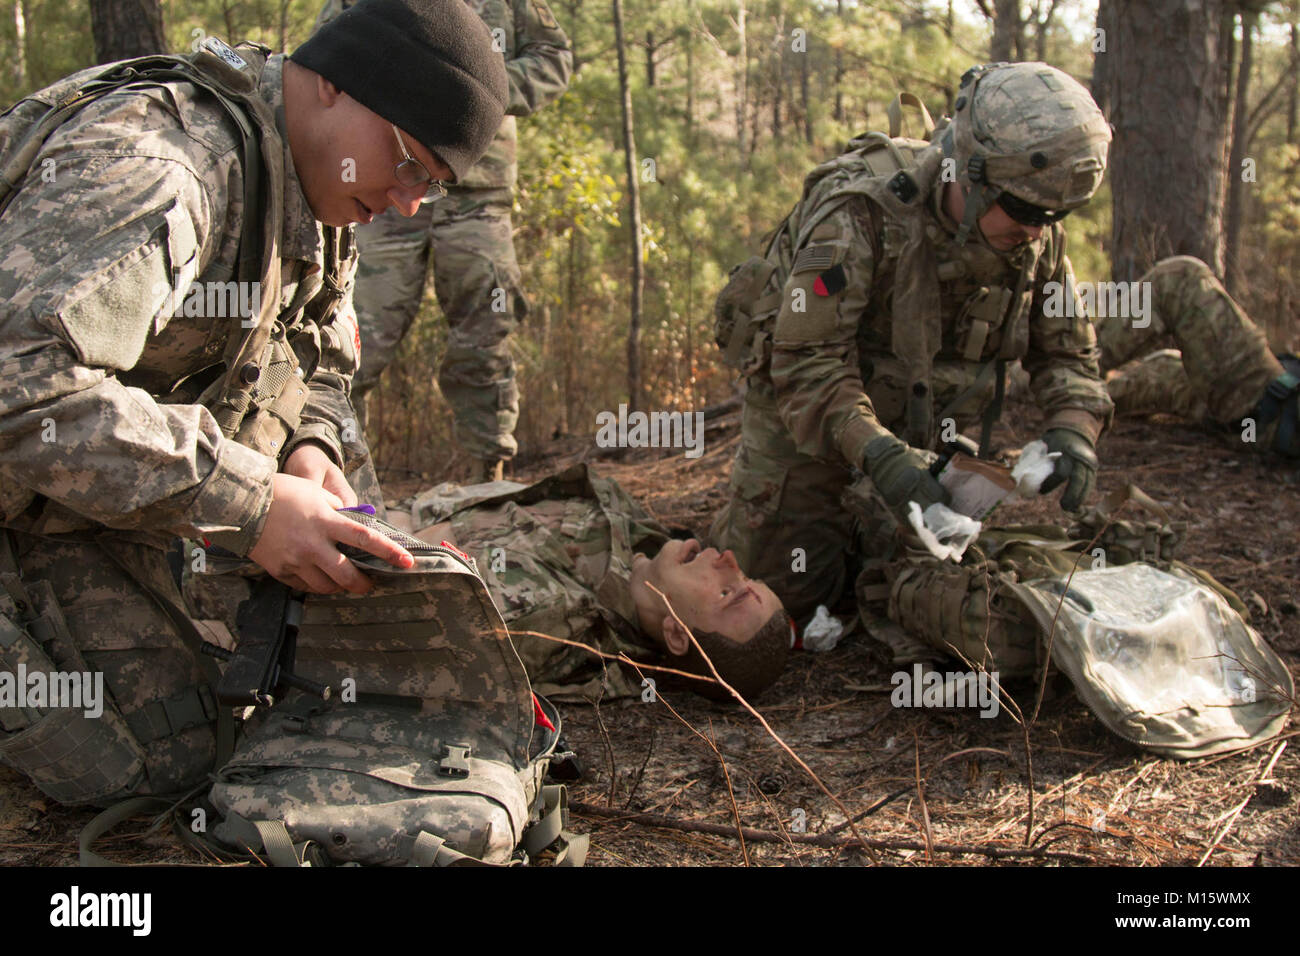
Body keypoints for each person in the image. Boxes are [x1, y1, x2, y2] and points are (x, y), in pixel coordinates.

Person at [0, 0, 509, 806]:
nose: (410, 202)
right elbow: (18, 389)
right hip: (26, 468)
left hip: (86, 484)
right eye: (410, 162)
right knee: (145, 762)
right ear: (336, 86)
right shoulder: (160, 171)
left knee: (276, 699)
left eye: (433, 187)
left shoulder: (320, 182)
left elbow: (319, 356)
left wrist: (312, 448)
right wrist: (256, 503)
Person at [709, 62, 1115, 623]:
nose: (1037, 231)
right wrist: (879, 455)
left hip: (923, 436)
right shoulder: (859, 212)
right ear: (970, 175)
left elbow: (1069, 353)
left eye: (1055, 215)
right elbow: (806, 361)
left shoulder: (1033, 229)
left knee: (940, 586)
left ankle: (874, 531)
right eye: (1023, 211)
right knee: (789, 600)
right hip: (810, 428)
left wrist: (1076, 428)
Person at [314, 0, 573, 482]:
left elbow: (552, 59)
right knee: (349, 334)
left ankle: (487, 479)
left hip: (477, 191)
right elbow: (330, 51)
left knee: (485, 333)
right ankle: (334, 474)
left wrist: (478, 88)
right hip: (385, 179)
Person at [407, 464, 792, 701]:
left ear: (676, 634)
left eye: (727, 592)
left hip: (370, 513)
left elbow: (400, 566)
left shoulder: (546, 613)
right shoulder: (645, 538)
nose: (728, 561)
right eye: (746, 576)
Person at [1097, 256, 1299, 459]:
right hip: (1266, 420)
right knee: (1162, 368)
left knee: (1180, 279)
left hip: (1268, 410)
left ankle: (1075, 366)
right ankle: (1076, 396)